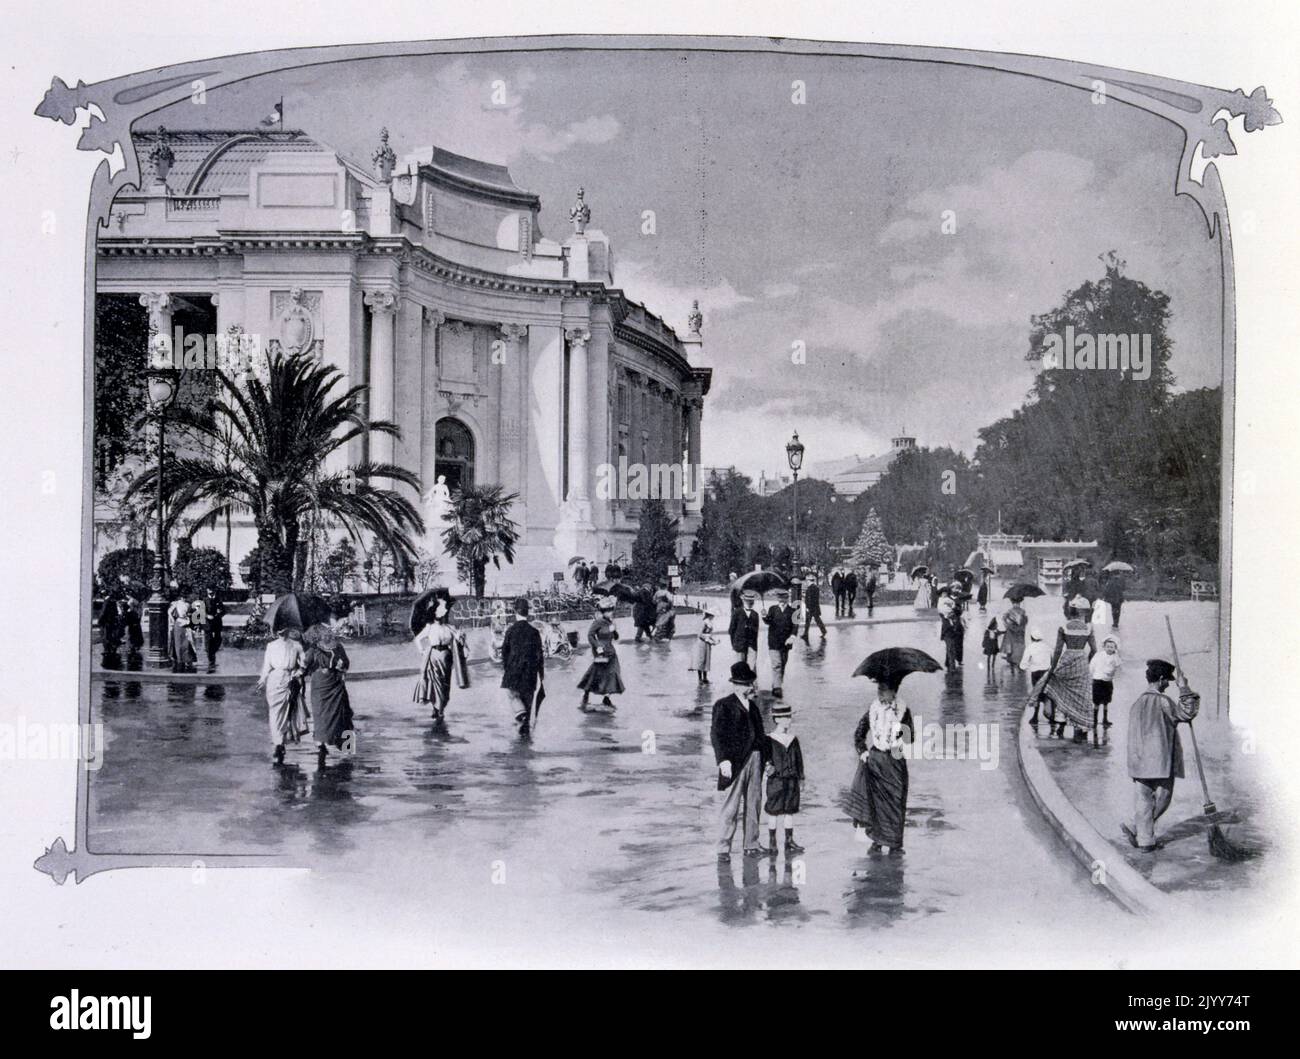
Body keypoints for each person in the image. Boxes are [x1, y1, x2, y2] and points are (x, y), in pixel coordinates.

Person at [1121, 659, 1199, 852]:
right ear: (1161, 679)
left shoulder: (1137, 702)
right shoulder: (1163, 701)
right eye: (1168, 681)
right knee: (1163, 797)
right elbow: (1187, 713)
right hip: (1160, 760)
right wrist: (1184, 687)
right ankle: (1142, 835)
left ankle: (1141, 833)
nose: (1168, 684)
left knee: (1144, 799)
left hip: (1139, 760)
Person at [848, 676, 914, 854]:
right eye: (878, 690)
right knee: (876, 804)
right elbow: (859, 733)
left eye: (883, 690)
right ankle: (876, 841)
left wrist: (897, 729)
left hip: (895, 762)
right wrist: (863, 751)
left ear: (893, 692)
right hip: (875, 762)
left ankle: (894, 844)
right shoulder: (873, 709)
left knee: (895, 803)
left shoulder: (903, 711)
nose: (880, 694)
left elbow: (910, 738)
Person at [710, 660, 768, 861]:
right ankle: (723, 848)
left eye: (751, 683)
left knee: (754, 802)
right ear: (736, 685)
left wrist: (766, 760)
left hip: (756, 758)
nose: (751, 687)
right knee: (731, 805)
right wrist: (722, 760)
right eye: (747, 684)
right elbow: (717, 735)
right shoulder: (723, 705)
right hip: (735, 761)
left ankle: (751, 844)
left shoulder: (753, 706)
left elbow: (761, 735)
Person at [1036, 596, 1098, 741]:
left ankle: (1060, 726)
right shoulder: (1089, 628)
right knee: (1082, 696)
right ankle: (1080, 728)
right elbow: (1094, 650)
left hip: (1066, 659)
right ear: (1085, 612)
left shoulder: (1063, 627)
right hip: (1081, 661)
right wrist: (1086, 663)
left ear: (1072, 611)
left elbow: (1057, 650)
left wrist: (1053, 668)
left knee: (1061, 692)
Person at [257, 627, 307, 765]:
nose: (279, 631)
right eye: (277, 628)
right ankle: (277, 743)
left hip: (289, 680)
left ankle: (281, 742)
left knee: (287, 713)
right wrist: (262, 679)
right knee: (274, 712)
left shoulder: (296, 645)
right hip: (274, 681)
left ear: (287, 630)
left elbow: (304, 663)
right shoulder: (271, 646)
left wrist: (299, 672)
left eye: (283, 627)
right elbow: (267, 666)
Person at [304, 626, 353, 764]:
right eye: (324, 634)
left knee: (343, 713)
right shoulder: (314, 649)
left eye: (329, 633)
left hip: (336, 684)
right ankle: (321, 745)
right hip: (320, 686)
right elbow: (305, 665)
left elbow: (346, 663)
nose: (327, 636)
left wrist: (342, 666)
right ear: (318, 636)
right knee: (321, 715)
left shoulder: (338, 647)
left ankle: (347, 745)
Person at [763, 702, 805, 855]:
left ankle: (789, 841)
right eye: (786, 717)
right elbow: (765, 759)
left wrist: (801, 778)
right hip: (776, 781)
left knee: (789, 810)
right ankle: (772, 842)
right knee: (773, 811)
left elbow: (799, 760)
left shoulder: (793, 739)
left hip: (792, 780)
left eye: (789, 717)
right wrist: (768, 767)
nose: (789, 720)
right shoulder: (769, 739)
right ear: (777, 719)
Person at [500, 597, 545, 736]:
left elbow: (504, 653)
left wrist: (507, 667)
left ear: (515, 612)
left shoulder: (510, 631)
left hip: (513, 672)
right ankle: (525, 734)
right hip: (530, 673)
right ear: (527, 613)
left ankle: (520, 715)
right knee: (528, 701)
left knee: (513, 695)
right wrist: (541, 674)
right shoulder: (534, 632)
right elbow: (539, 655)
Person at [413, 596, 461, 723]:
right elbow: (418, 639)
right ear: (435, 611)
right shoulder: (429, 627)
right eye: (441, 608)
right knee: (436, 682)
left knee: (445, 684)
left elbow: (459, 642)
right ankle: (438, 709)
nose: (444, 610)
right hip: (433, 655)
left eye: (445, 608)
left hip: (446, 657)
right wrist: (422, 651)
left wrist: (460, 637)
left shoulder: (449, 628)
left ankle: (439, 707)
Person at [578, 596, 624, 710]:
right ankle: (586, 694)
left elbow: (616, 637)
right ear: (603, 612)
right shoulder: (598, 622)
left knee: (613, 674)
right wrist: (597, 645)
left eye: (611, 610)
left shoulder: (610, 622)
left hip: (611, 652)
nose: (610, 613)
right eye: (608, 611)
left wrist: (614, 630)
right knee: (595, 674)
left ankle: (607, 698)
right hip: (601, 652)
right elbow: (590, 635)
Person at [762, 588, 797, 698]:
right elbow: (768, 621)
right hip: (773, 641)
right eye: (780, 598)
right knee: (776, 664)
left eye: (784, 597)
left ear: (787, 598)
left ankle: (777, 684)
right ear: (777, 598)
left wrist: (792, 636)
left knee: (783, 664)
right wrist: (764, 616)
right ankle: (778, 688)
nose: (781, 600)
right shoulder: (772, 609)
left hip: (786, 643)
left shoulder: (793, 611)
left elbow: (795, 626)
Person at [1020, 627, 1053, 725]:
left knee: (1036, 693)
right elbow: (1054, 658)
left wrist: (1027, 666)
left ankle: (1035, 716)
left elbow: (1023, 664)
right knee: (1048, 694)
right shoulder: (1047, 647)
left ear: (1031, 638)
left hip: (1036, 673)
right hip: (1047, 673)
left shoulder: (1030, 648)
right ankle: (1051, 716)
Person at [1090, 636, 1122, 729]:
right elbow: (1092, 665)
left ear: (1115, 648)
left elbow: (1119, 665)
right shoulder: (1099, 655)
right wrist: (1092, 675)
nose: (1109, 649)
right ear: (1104, 647)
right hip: (1098, 680)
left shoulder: (1115, 657)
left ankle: (1105, 719)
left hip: (1108, 681)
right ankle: (1095, 719)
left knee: (1106, 701)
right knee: (1096, 701)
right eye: (1108, 646)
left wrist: (1116, 653)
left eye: (1112, 647)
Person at [689, 607, 719, 686]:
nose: (713, 617)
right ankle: (700, 679)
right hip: (701, 643)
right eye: (712, 615)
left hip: (707, 644)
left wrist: (714, 641)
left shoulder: (710, 623)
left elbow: (709, 634)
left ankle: (705, 678)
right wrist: (707, 639)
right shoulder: (704, 622)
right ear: (709, 615)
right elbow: (699, 634)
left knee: (706, 660)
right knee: (701, 660)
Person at [938, 585, 965, 669]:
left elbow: (959, 611)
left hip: (955, 626)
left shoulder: (954, 601)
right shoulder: (943, 601)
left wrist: (955, 608)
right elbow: (941, 613)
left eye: (958, 588)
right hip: (948, 627)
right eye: (954, 588)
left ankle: (949, 662)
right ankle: (951, 665)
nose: (956, 590)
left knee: (952, 646)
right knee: (950, 646)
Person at [729, 589, 760, 664]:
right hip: (739, 645)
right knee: (740, 667)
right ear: (743, 600)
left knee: (751, 667)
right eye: (748, 600)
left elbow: (756, 632)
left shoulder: (755, 614)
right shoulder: (737, 612)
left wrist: (750, 627)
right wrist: (734, 644)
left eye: (751, 600)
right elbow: (731, 630)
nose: (750, 602)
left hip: (752, 645)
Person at [1001, 599, 1028, 671]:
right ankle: (1016, 661)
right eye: (1015, 603)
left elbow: (1003, 618)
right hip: (1016, 631)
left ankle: (1015, 661)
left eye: (1017, 603)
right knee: (1015, 645)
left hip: (1015, 631)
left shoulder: (1017, 611)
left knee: (1014, 645)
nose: (1016, 605)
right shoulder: (1019, 611)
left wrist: (1007, 625)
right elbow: (1003, 618)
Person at [203, 590, 225, 671]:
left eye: (213, 593)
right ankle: (211, 662)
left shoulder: (218, 600)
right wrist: (207, 616)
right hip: (208, 624)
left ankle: (212, 654)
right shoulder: (204, 600)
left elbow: (224, 611)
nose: (212, 595)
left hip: (217, 624)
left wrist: (220, 613)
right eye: (210, 593)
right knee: (208, 643)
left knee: (218, 641)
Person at [800, 573, 826, 640]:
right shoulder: (815, 588)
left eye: (807, 581)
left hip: (811, 608)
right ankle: (823, 631)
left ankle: (806, 634)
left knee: (809, 621)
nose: (806, 582)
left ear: (809, 581)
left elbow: (810, 599)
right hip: (815, 607)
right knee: (817, 620)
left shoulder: (811, 588)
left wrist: (808, 607)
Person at [981, 618, 1002, 684]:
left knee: (993, 656)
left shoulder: (995, 631)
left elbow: (1000, 632)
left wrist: (1006, 631)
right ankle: (990, 666)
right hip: (990, 645)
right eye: (996, 625)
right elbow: (984, 638)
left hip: (993, 645)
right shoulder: (988, 631)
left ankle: (991, 666)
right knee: (990, 656)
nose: (997, 626)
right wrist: (984, 644)